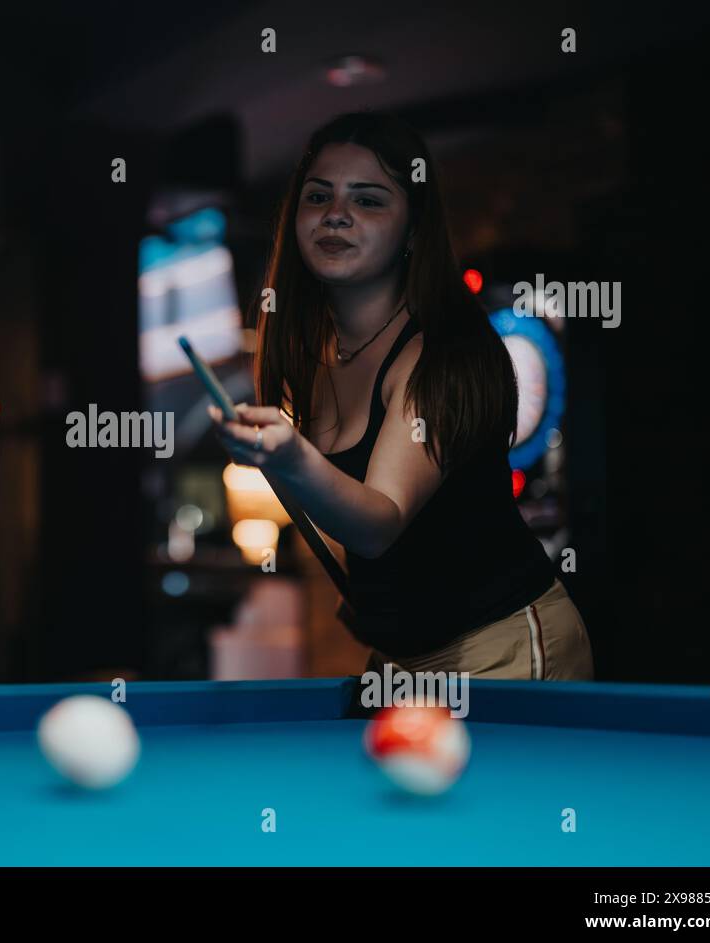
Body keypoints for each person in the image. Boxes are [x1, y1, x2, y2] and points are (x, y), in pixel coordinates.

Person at [209, 111, 592, 681]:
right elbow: (357, 524)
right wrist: (376, 598)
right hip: (402, 659)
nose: (336, 213)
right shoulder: (315, 351)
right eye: (319, 197)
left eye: (368, 200)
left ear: (413, 230)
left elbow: (378, 522)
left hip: (503, 646)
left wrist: (291, 458)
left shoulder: (442, 349)